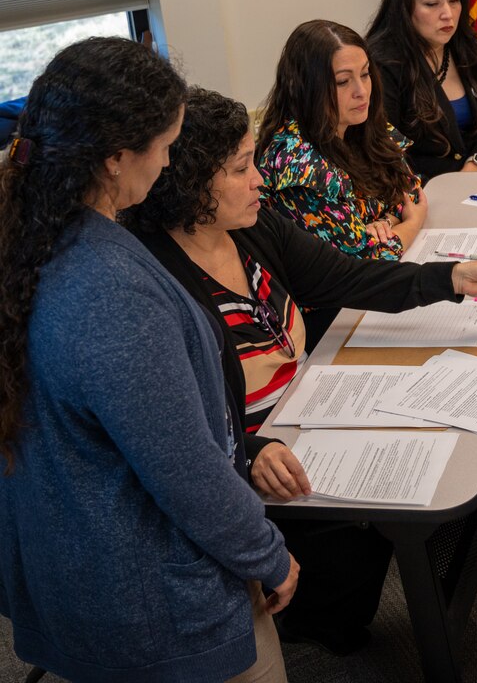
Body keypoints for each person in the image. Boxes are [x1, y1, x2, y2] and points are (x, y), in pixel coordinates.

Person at [127, 86, 477, 655]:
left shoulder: (252, 229)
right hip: (261, 462)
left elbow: (350, 277)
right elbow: (176, 430)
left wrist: (452, 279)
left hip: (319, 410)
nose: (260, 180)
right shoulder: (159, 282)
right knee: (355, 583)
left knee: (456, 449)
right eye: (241, 169)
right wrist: (254, 452)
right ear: (189, 184)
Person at [0, 37, 298, 682]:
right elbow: (183, 465)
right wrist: (268, 553)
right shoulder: (110, 288)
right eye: (164, 147)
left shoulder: (32, 232)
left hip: (74, 562)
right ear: (114, 158)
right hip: (148, 602)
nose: (167, 165)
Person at [258, 19, 426, 261]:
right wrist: (413, 222)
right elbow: (364, 262)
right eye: (343, 81)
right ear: (306, 87)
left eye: (366, 73)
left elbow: (412, 191)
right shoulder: (297, 163)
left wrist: (386, 222)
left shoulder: (361, 125)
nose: (362, 91)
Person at [367, 0, 477, 183]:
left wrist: (475, 168)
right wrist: (452, 187)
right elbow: (386, 156)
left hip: (474, 181)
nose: (448, 14)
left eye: (454, 0)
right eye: (432, 4)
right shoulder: (383, 63)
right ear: (404, 9)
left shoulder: (466, 45)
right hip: (420, 196)